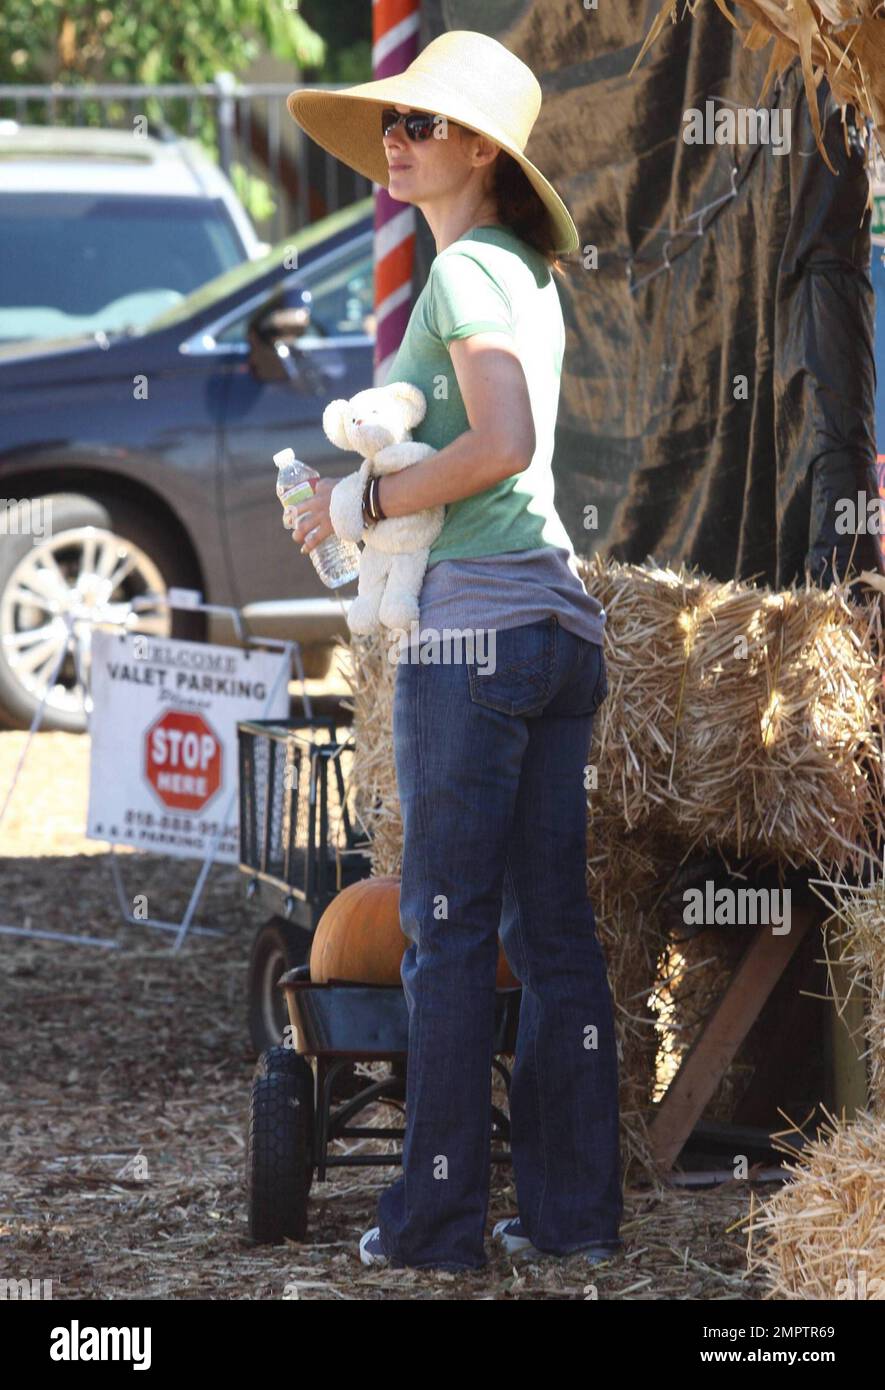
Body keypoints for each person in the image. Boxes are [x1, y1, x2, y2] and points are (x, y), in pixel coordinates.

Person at [284, 29, 623, 1273]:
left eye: (420, 126)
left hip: (472, 639)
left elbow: (502, 441)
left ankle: (434, 1223)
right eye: (392, 123)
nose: (395, 141)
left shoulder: (466, 274)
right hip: (554, 627)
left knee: (439, 924)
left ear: (481, 149)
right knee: (554, 938)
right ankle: (576, 1218)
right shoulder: (524, 274)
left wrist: (359, 510)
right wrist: (355, 506)